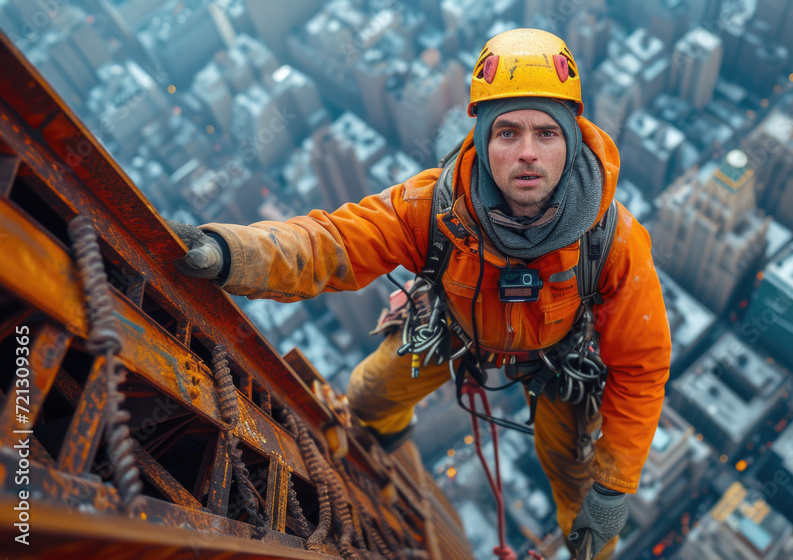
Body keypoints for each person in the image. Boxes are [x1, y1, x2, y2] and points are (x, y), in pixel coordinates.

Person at [168, 28, 671, 560]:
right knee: (367, 394)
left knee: (580, 481)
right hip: (456, 327)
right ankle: (392, 455)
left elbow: (641, 366)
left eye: (547, 133)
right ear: (480, 139)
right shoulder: (434, 207)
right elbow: (333, 242)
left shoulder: (611, 238)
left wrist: (614, 489)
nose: (527, 153)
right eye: (507, 133)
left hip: (557, 357)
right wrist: (232, 252)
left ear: (571, 140)